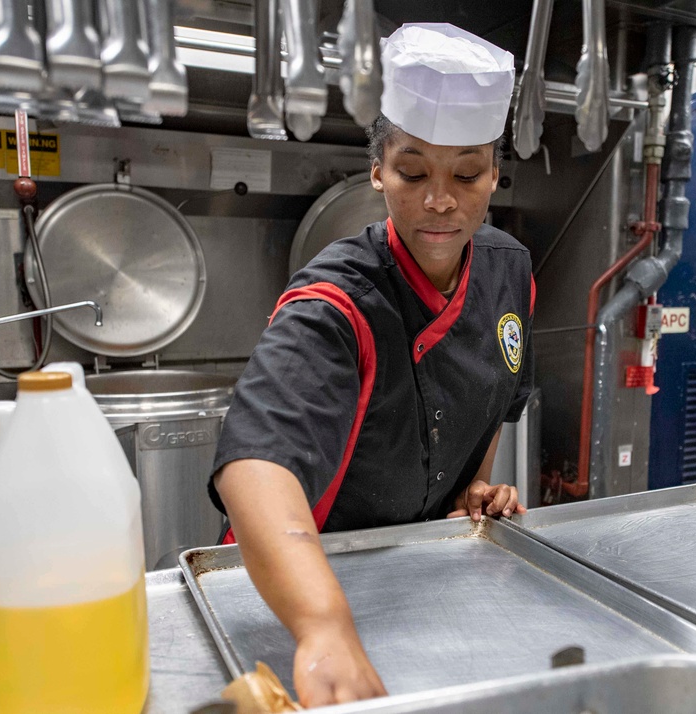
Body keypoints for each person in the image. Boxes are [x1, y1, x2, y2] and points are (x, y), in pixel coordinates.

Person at [210, 23, 535, 708]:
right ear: (378, 170)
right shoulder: (336, 300)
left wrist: (467, 493)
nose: (440, 200)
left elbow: (496, 401)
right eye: (413, 172)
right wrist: (322, 623)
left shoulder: (511, 271)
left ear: (496, 174)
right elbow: (256, 462)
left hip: (412, 587)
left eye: (467, 173)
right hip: (293, 593)